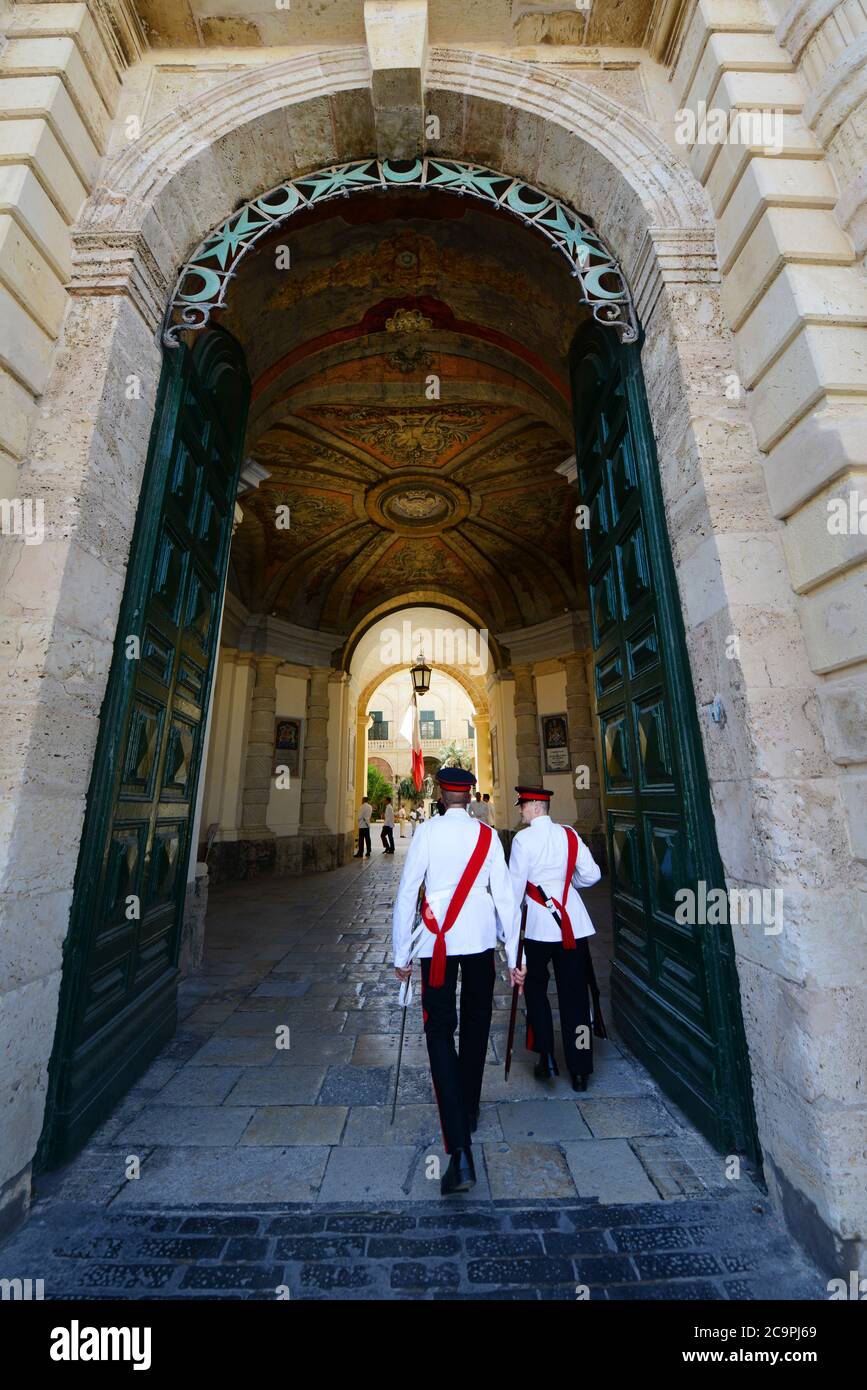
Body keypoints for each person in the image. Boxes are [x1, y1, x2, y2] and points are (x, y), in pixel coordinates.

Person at [392, 767, 520, 1196]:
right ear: (468, 797)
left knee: (439, 1031)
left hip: (438, 943)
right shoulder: (487, 836)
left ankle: (459, 1149)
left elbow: (409, 890)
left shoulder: (428, 833)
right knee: (478, 1023)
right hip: (480, 940)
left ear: (443, 797)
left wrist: (400, 953)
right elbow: (505, 896)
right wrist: (515, 956)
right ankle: (469, 1108)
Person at [507, 785, 601, 1092]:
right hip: (572, 925)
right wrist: (567, 884)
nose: (519, 809)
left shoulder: (523, 839)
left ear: (535, 806)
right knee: (576, 996)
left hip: (538, 927)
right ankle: (581, 1069)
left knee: (535, 990)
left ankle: (546, 1055)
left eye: (522, 804)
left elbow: (515, 890)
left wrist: (508, 935)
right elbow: (592, 875)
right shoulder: (570, 835)